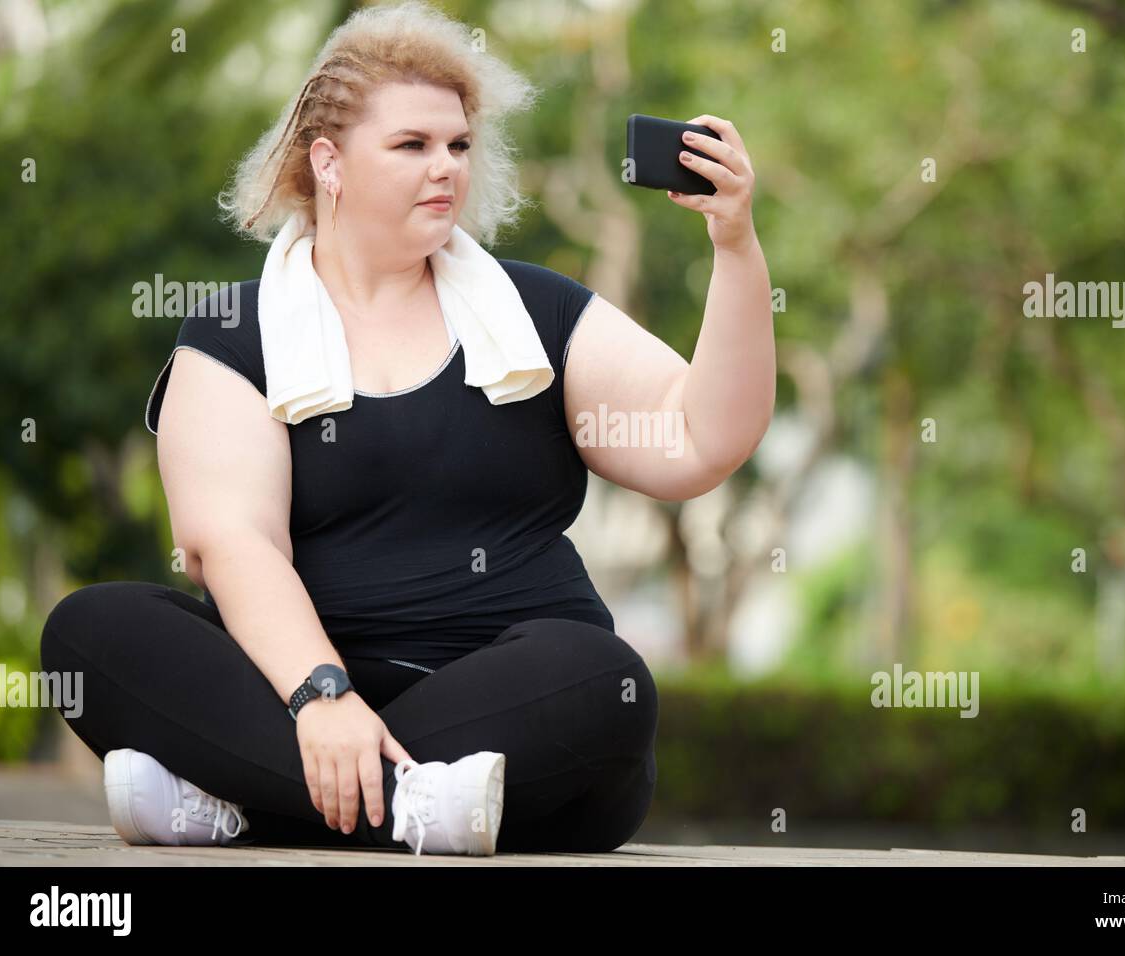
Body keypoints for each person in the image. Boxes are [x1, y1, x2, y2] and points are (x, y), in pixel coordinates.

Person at [40, 0, 773, 855]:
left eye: (459, 146)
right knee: (91, 633)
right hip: (295, 696)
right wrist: (323, 696)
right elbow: (233, 543)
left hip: (520, 715)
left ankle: (248, 803)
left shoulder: (536, 311)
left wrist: (735, 248)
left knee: (604, 682)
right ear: (329, 162)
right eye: (413, 146)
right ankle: (419, 808)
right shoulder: (236, 332)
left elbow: (700, 439)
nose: (447, 169)